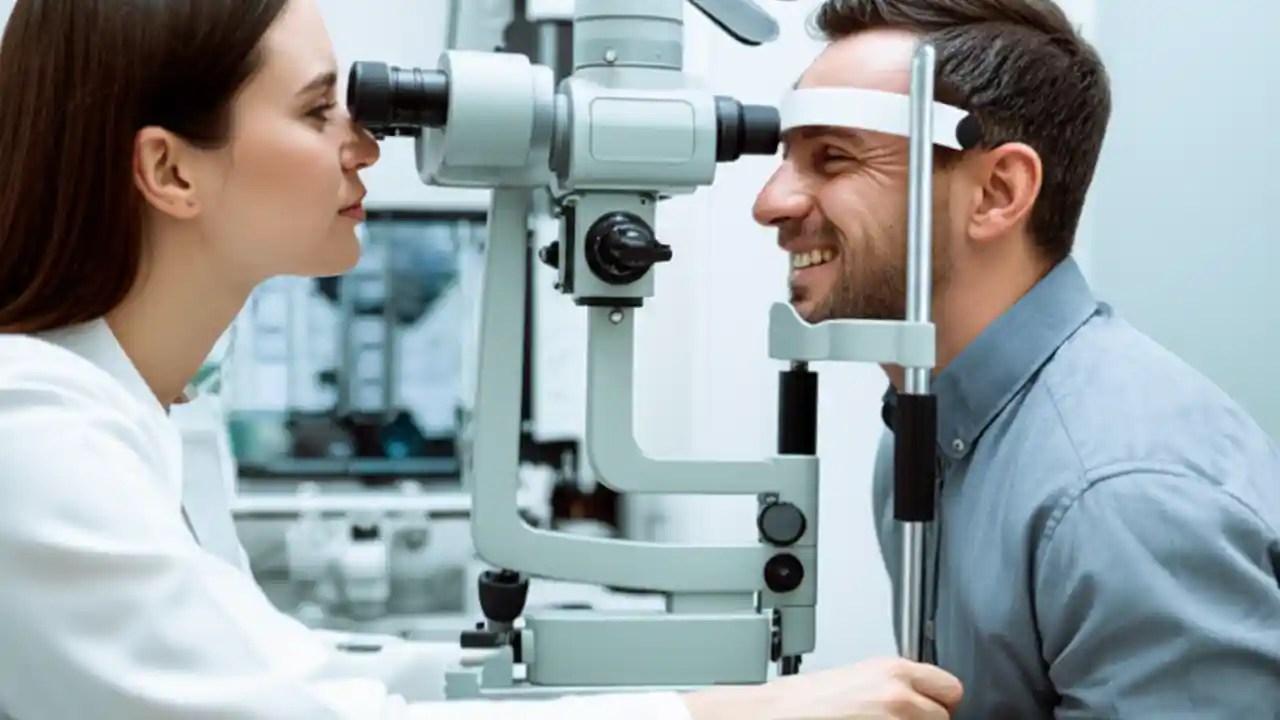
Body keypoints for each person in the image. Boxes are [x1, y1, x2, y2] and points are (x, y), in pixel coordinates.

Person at [0, 1, 967, 718]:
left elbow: (293, 678)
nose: (367, 143)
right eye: (316, 113)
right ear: (172, 171)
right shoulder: (34, 444)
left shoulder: (150, 422)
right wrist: (731, 714)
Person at [752, 0, 1280, 718]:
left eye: (833, 158)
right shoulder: (928, 433)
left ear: (997, 194)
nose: (771, 202)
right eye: (787, 158)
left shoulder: (1116, 494)